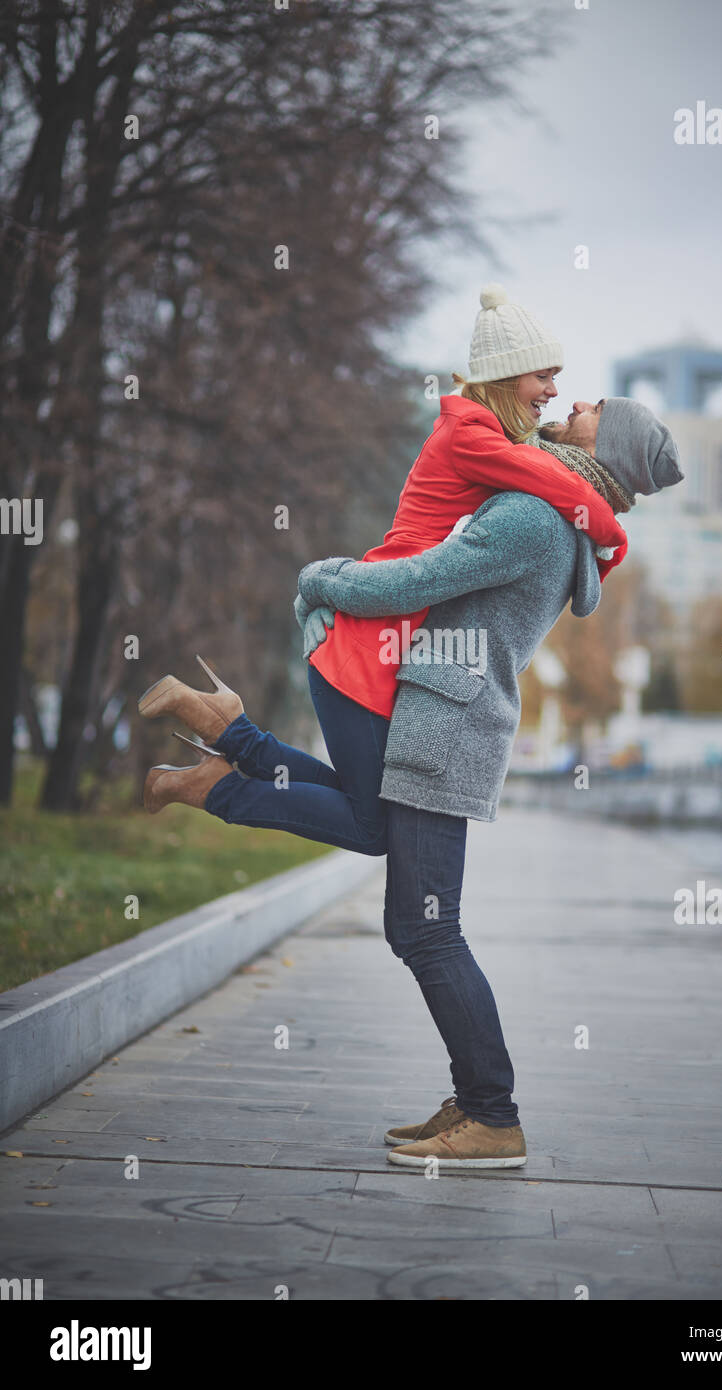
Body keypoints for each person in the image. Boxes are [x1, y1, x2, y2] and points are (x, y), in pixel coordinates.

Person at [139, 391, 683, 1169]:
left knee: (426, 929)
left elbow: (416, 580)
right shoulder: (553, 517)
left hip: (444, 728)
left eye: (599, 407)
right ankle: (226, 754)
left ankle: (494, 1117)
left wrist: (321, 577)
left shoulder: (535, 520)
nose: (579, 399)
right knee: (402, 889)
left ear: (609, 446)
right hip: (445, 720)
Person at [138, 284, 626, 854]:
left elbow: (547, 477)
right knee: (373, 829)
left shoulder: (482, 435)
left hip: (378, 629)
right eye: (542, 374)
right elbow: (555, 483)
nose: (554, 390)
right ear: (505, 375)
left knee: (361, 806)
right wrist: (610, 535)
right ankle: (213, 786)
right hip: (371, 638)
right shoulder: (469, 433)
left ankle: (227, 729)